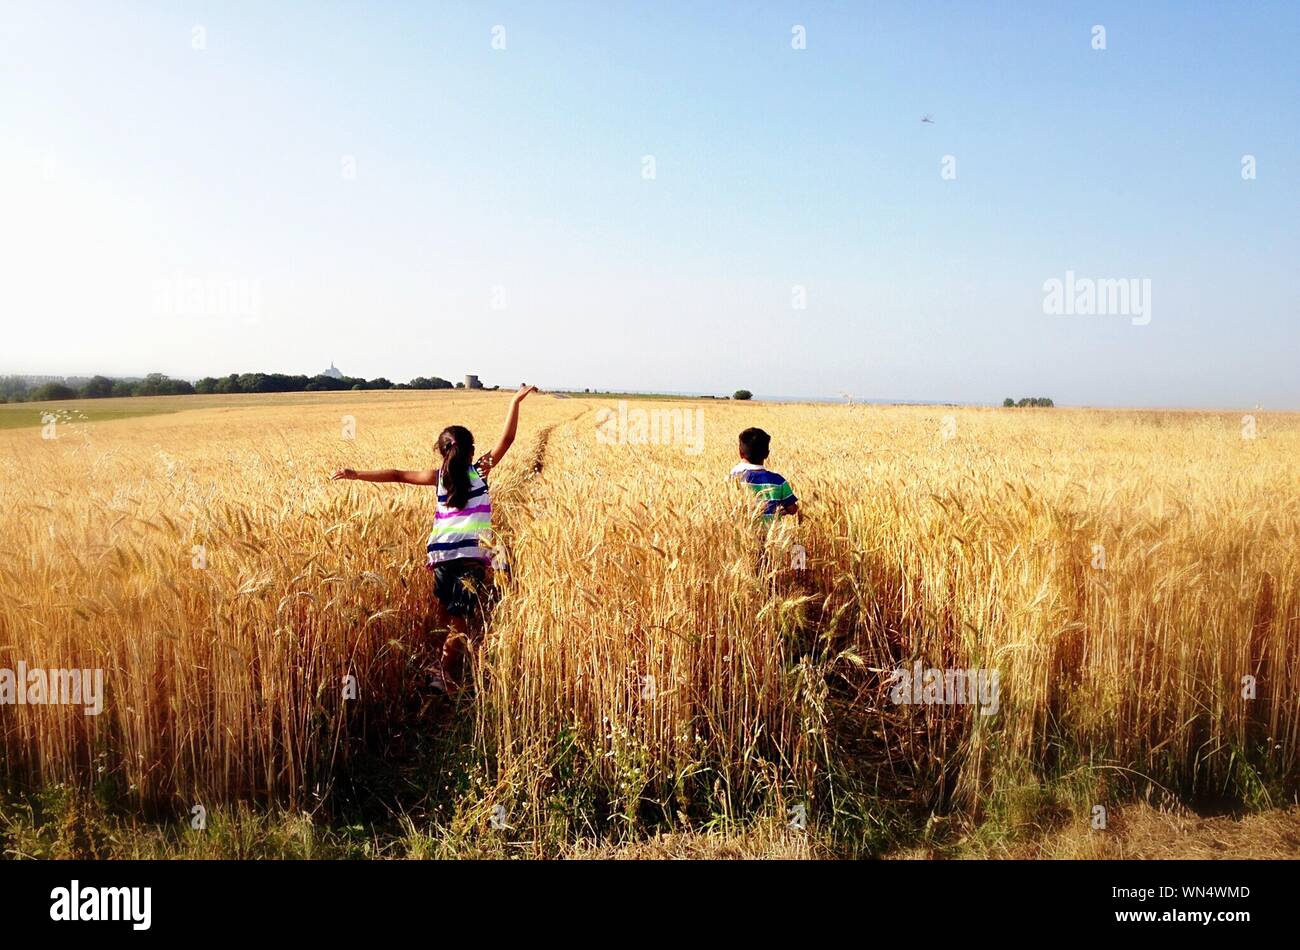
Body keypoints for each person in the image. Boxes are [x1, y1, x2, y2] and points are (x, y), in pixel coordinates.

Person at [332, 384, 538, 690]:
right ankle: (446, 672)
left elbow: (398, 474)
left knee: (447, 613)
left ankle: (443, 664)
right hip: (471, 554)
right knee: (461, 616)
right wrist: (514, 401)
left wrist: (356, 474)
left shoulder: (439, 477)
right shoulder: (480, 471)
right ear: (471, 451)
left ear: (442, 452)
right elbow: (507, 440)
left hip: (441, 555)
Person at [729, 426, 799, 522]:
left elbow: (728, 506)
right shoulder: (778, 481)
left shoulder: (734, 477)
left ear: (740, 452)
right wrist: (779, 512)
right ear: (767, 454)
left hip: (743, 532)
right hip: (772, 534)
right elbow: (792, 509)